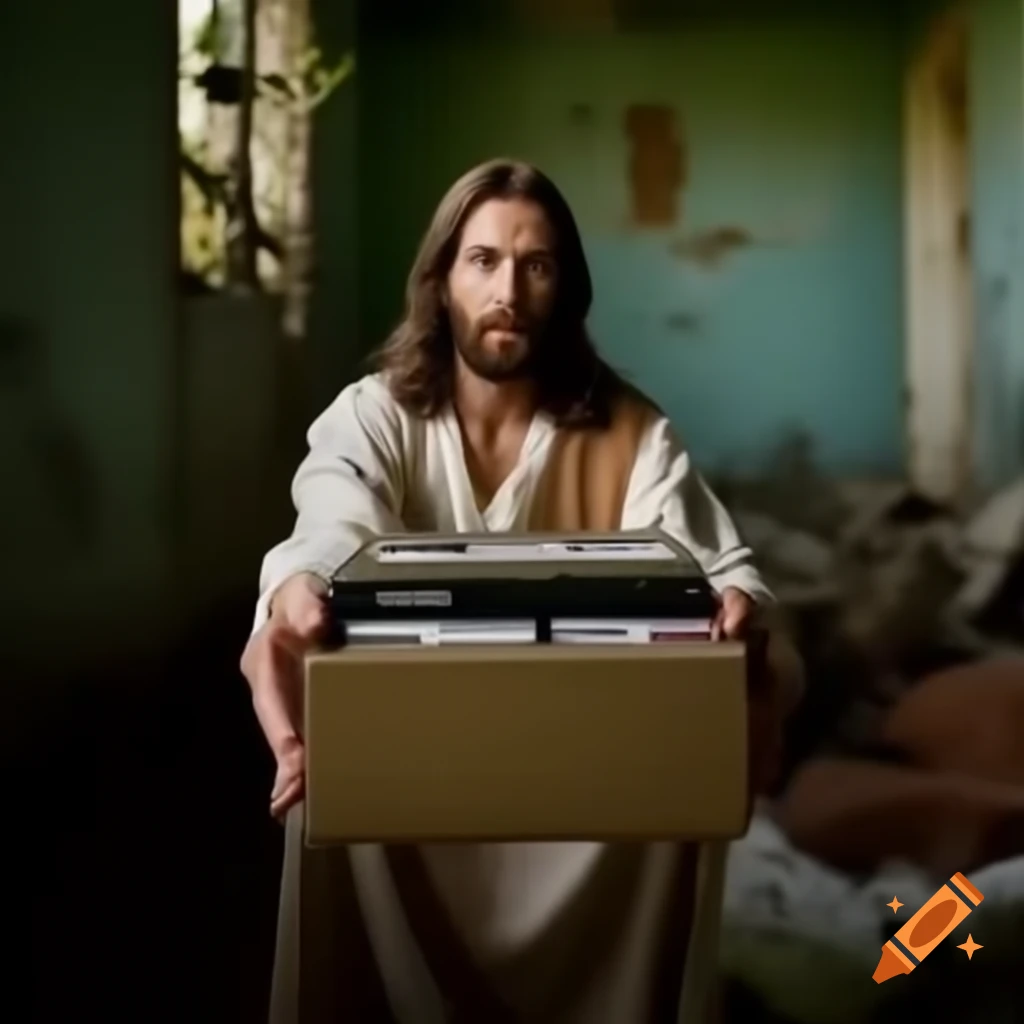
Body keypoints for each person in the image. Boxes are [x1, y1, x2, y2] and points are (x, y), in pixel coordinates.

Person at [241, 158, 803, 1024]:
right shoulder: (374, 415)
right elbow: (331, 517)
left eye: (535, 265)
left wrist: (739, 616)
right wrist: (298, 588)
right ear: (440, 279)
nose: (508, 287)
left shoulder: (632, 433)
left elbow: (714, 566)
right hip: (413, 757)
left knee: (686, 739)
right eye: (484, 260)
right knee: (333, 746)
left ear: (566, 288)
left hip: (586, 782)